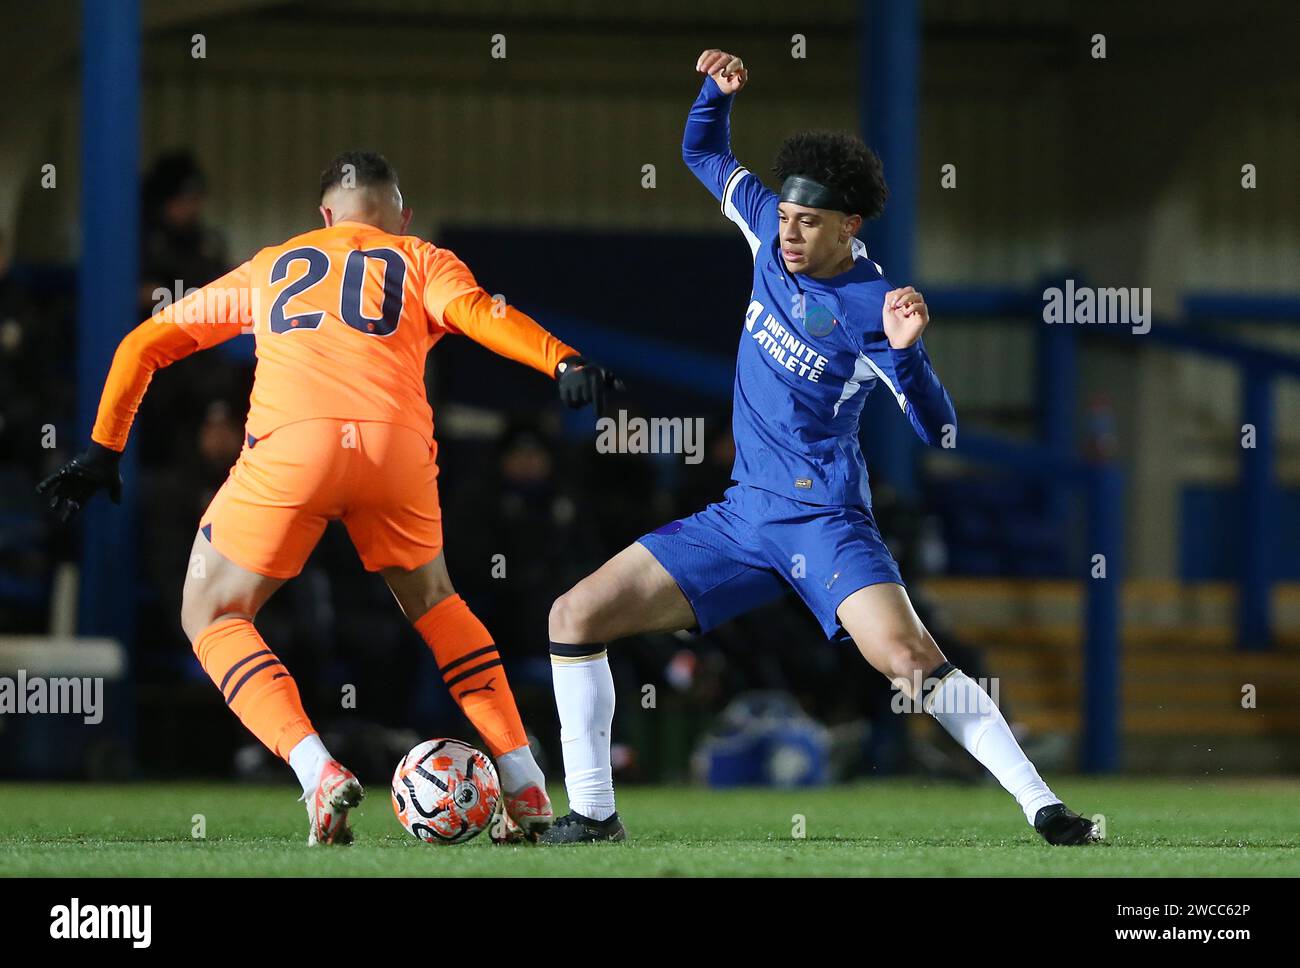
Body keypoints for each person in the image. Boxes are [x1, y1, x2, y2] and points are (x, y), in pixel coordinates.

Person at [541, 50, 1097, 846]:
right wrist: (714, 95)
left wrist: (905, 353)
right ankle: (595, 815)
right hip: (741, 517)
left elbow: (940, 432)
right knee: (575, 613)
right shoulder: (768, 228)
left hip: (823, 522)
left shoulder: (874, 306)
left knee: (908, 657)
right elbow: (704, 155)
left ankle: (1045, 808)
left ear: (850, 226)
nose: (789, 233)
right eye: (787, 218)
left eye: (809, 223)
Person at [38, 151, 619, 846]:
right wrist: (562, 358)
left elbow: (145, 343)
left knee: (212, 611)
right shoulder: (420, 258)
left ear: (323, 217)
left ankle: (316, 772)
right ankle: (523, 780)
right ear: (400, 216)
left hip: (292, 450)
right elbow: (480, 315)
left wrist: (104, 449)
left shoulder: (271, 266)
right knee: (436, 604)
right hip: (394, 450)